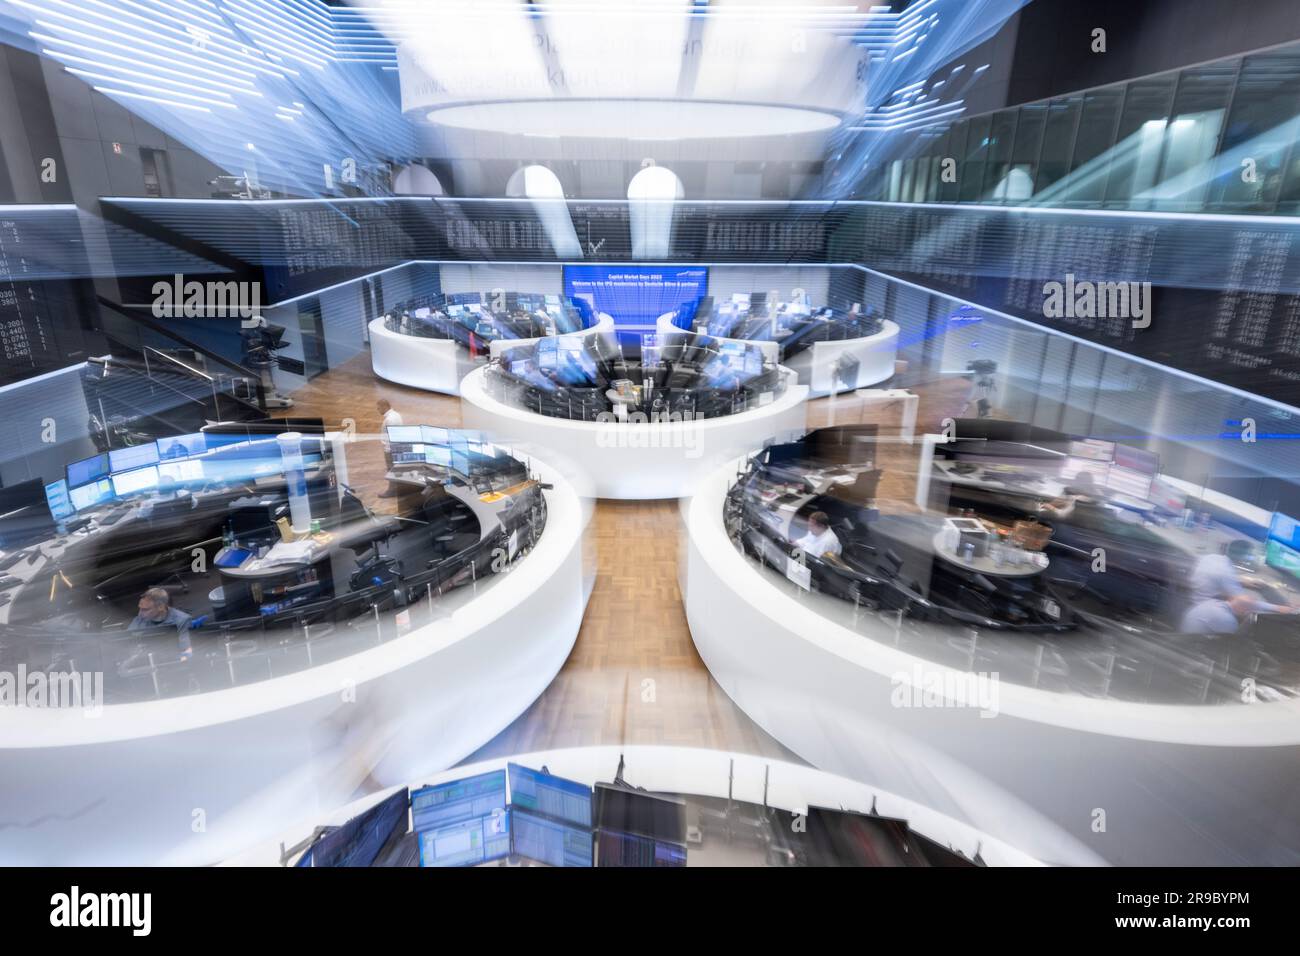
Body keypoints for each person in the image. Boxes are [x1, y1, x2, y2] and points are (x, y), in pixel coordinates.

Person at [1189, 540, 1295, 612]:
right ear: (1242, 557)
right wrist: (1277, 608)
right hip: (1205, 607)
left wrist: (1239, 581)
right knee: (1250, 613)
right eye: (1248, 555)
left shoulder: (1212, 557)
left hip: (1195, 598)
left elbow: (1217, 576)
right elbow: (1244, 602)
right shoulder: (1226, 572)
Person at [128, 587, 193, 658]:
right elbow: (127, 642)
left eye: (145, 610)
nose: (139, 613)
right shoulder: (139, 619)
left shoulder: (181, 620)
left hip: (170, 659)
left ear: (161, 607)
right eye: (140, 608)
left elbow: (186, 649)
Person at [1180, 592, 1258, 635]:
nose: (1248, 612)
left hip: (1182, 637)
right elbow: (1232, 644)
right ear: (1244, 609)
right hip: (1192, 649)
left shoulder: (1212, 602)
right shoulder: (1228, 620)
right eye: (1248, 609)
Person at [377, 399, 404, 498]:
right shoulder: (396, 415)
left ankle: (392, 491)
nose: (378, 410)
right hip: (397, 448)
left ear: (384, 406)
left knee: (391, 471)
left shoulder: (389, 419)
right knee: (396, 470)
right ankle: (398, 490)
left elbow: (391, 437)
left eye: (379, 408)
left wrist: (387, 450)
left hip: (391, 449)